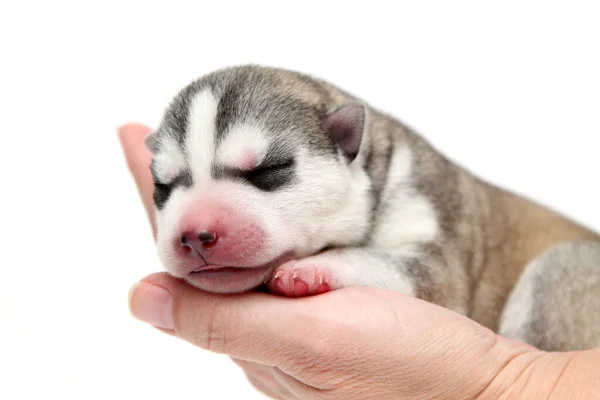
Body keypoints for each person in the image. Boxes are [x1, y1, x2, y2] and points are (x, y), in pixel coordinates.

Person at [119, 123, 600, 399]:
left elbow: (436, 281)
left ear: (345, 143)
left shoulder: (414, 188)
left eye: (267, 172)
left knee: (570, 276)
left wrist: (501, 386)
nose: (196, 227)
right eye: (168, 184)